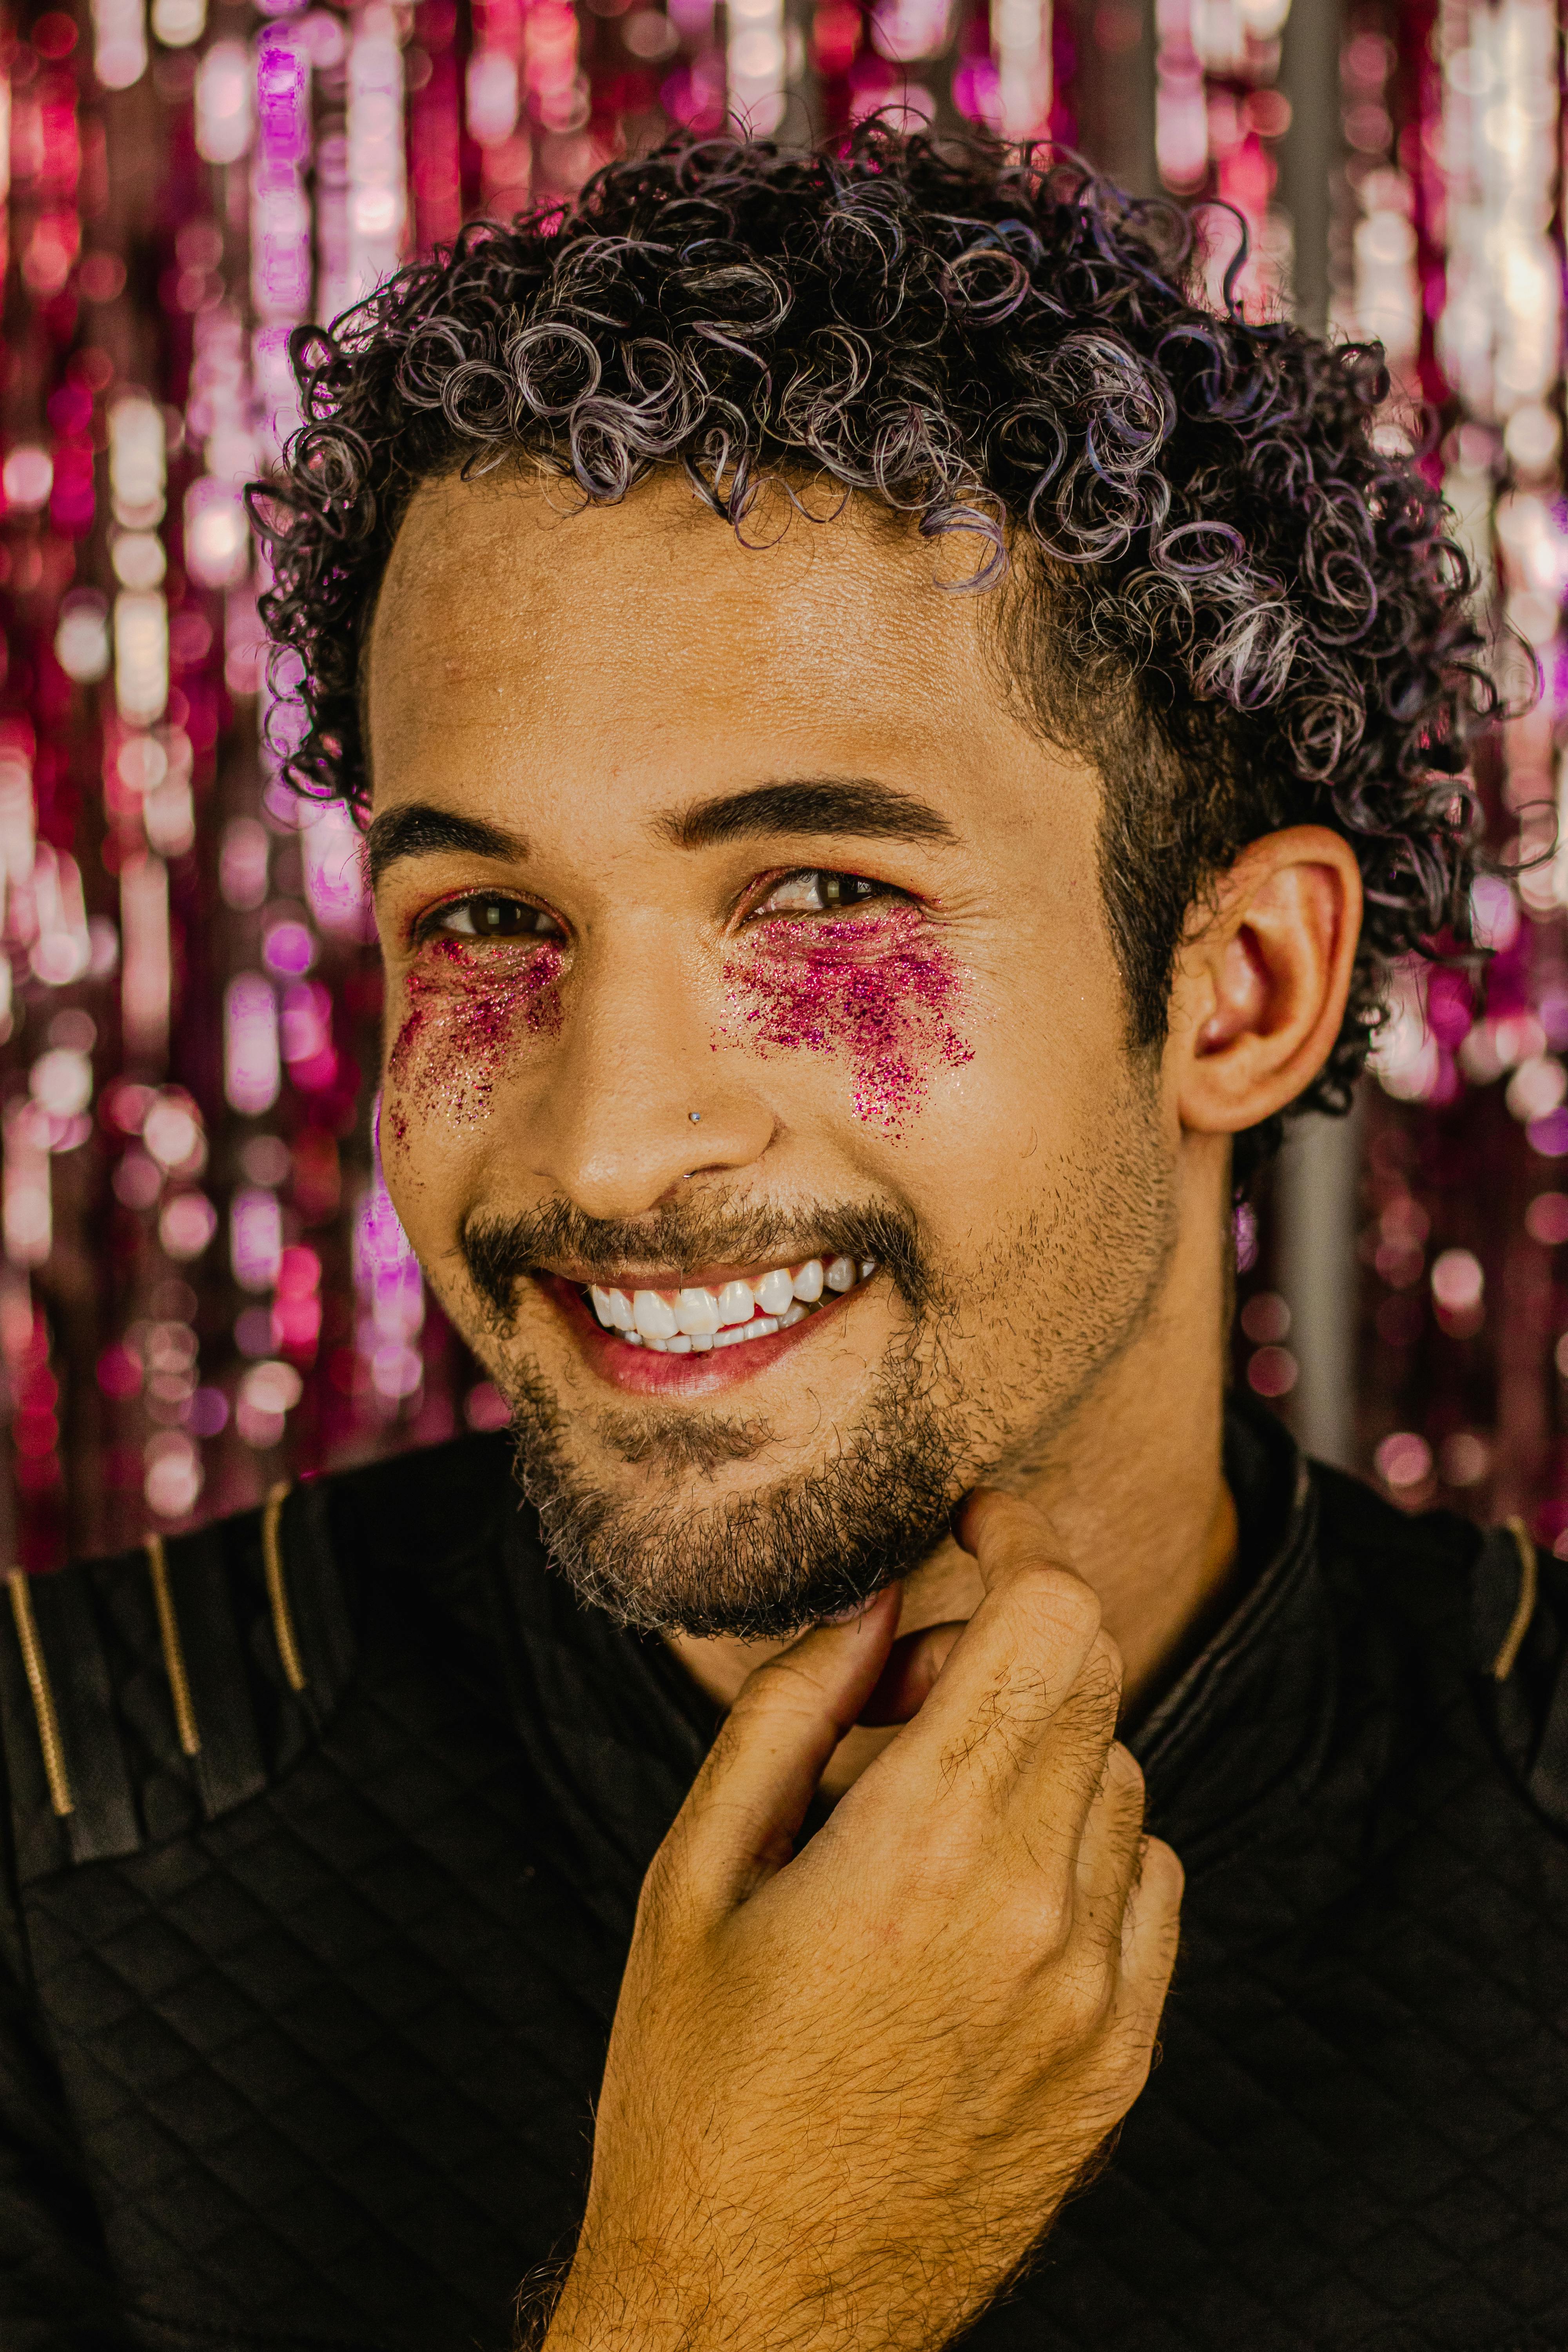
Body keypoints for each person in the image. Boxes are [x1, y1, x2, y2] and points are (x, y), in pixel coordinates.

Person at [3, 125, 1565, 2352]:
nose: (619, 1143)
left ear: (1240, 989)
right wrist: (736, 2294)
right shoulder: (51, 1830)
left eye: (824, 893)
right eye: (495, 922)